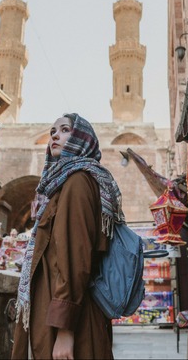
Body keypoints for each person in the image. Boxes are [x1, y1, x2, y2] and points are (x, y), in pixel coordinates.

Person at [11, 113, 121, 359]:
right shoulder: (63, 185)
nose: (55, 136)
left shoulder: (77, 182)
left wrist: (65, 330)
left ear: (82, 138)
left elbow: (75, 259)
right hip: (59, 312)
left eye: (64, 130)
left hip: (69, 324)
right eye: (52, 132)